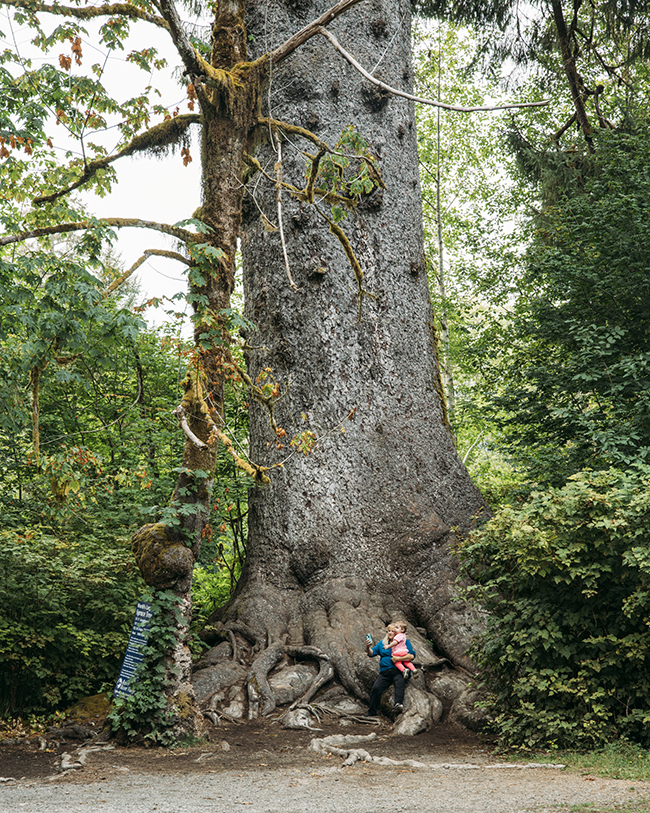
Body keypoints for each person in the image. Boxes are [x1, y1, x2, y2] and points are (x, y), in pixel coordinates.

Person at [365, 623, 415, 716]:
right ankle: (372, 712)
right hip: (385, 672)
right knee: (376, 688)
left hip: (398, 670)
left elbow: (411, 656)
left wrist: (398, 659)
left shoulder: (404, 642)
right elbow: (371, 653)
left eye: (393, 631)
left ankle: (398, 704)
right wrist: (368, 647)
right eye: (389, 631)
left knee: (399, 683)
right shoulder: (382, 643)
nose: (391, 632)